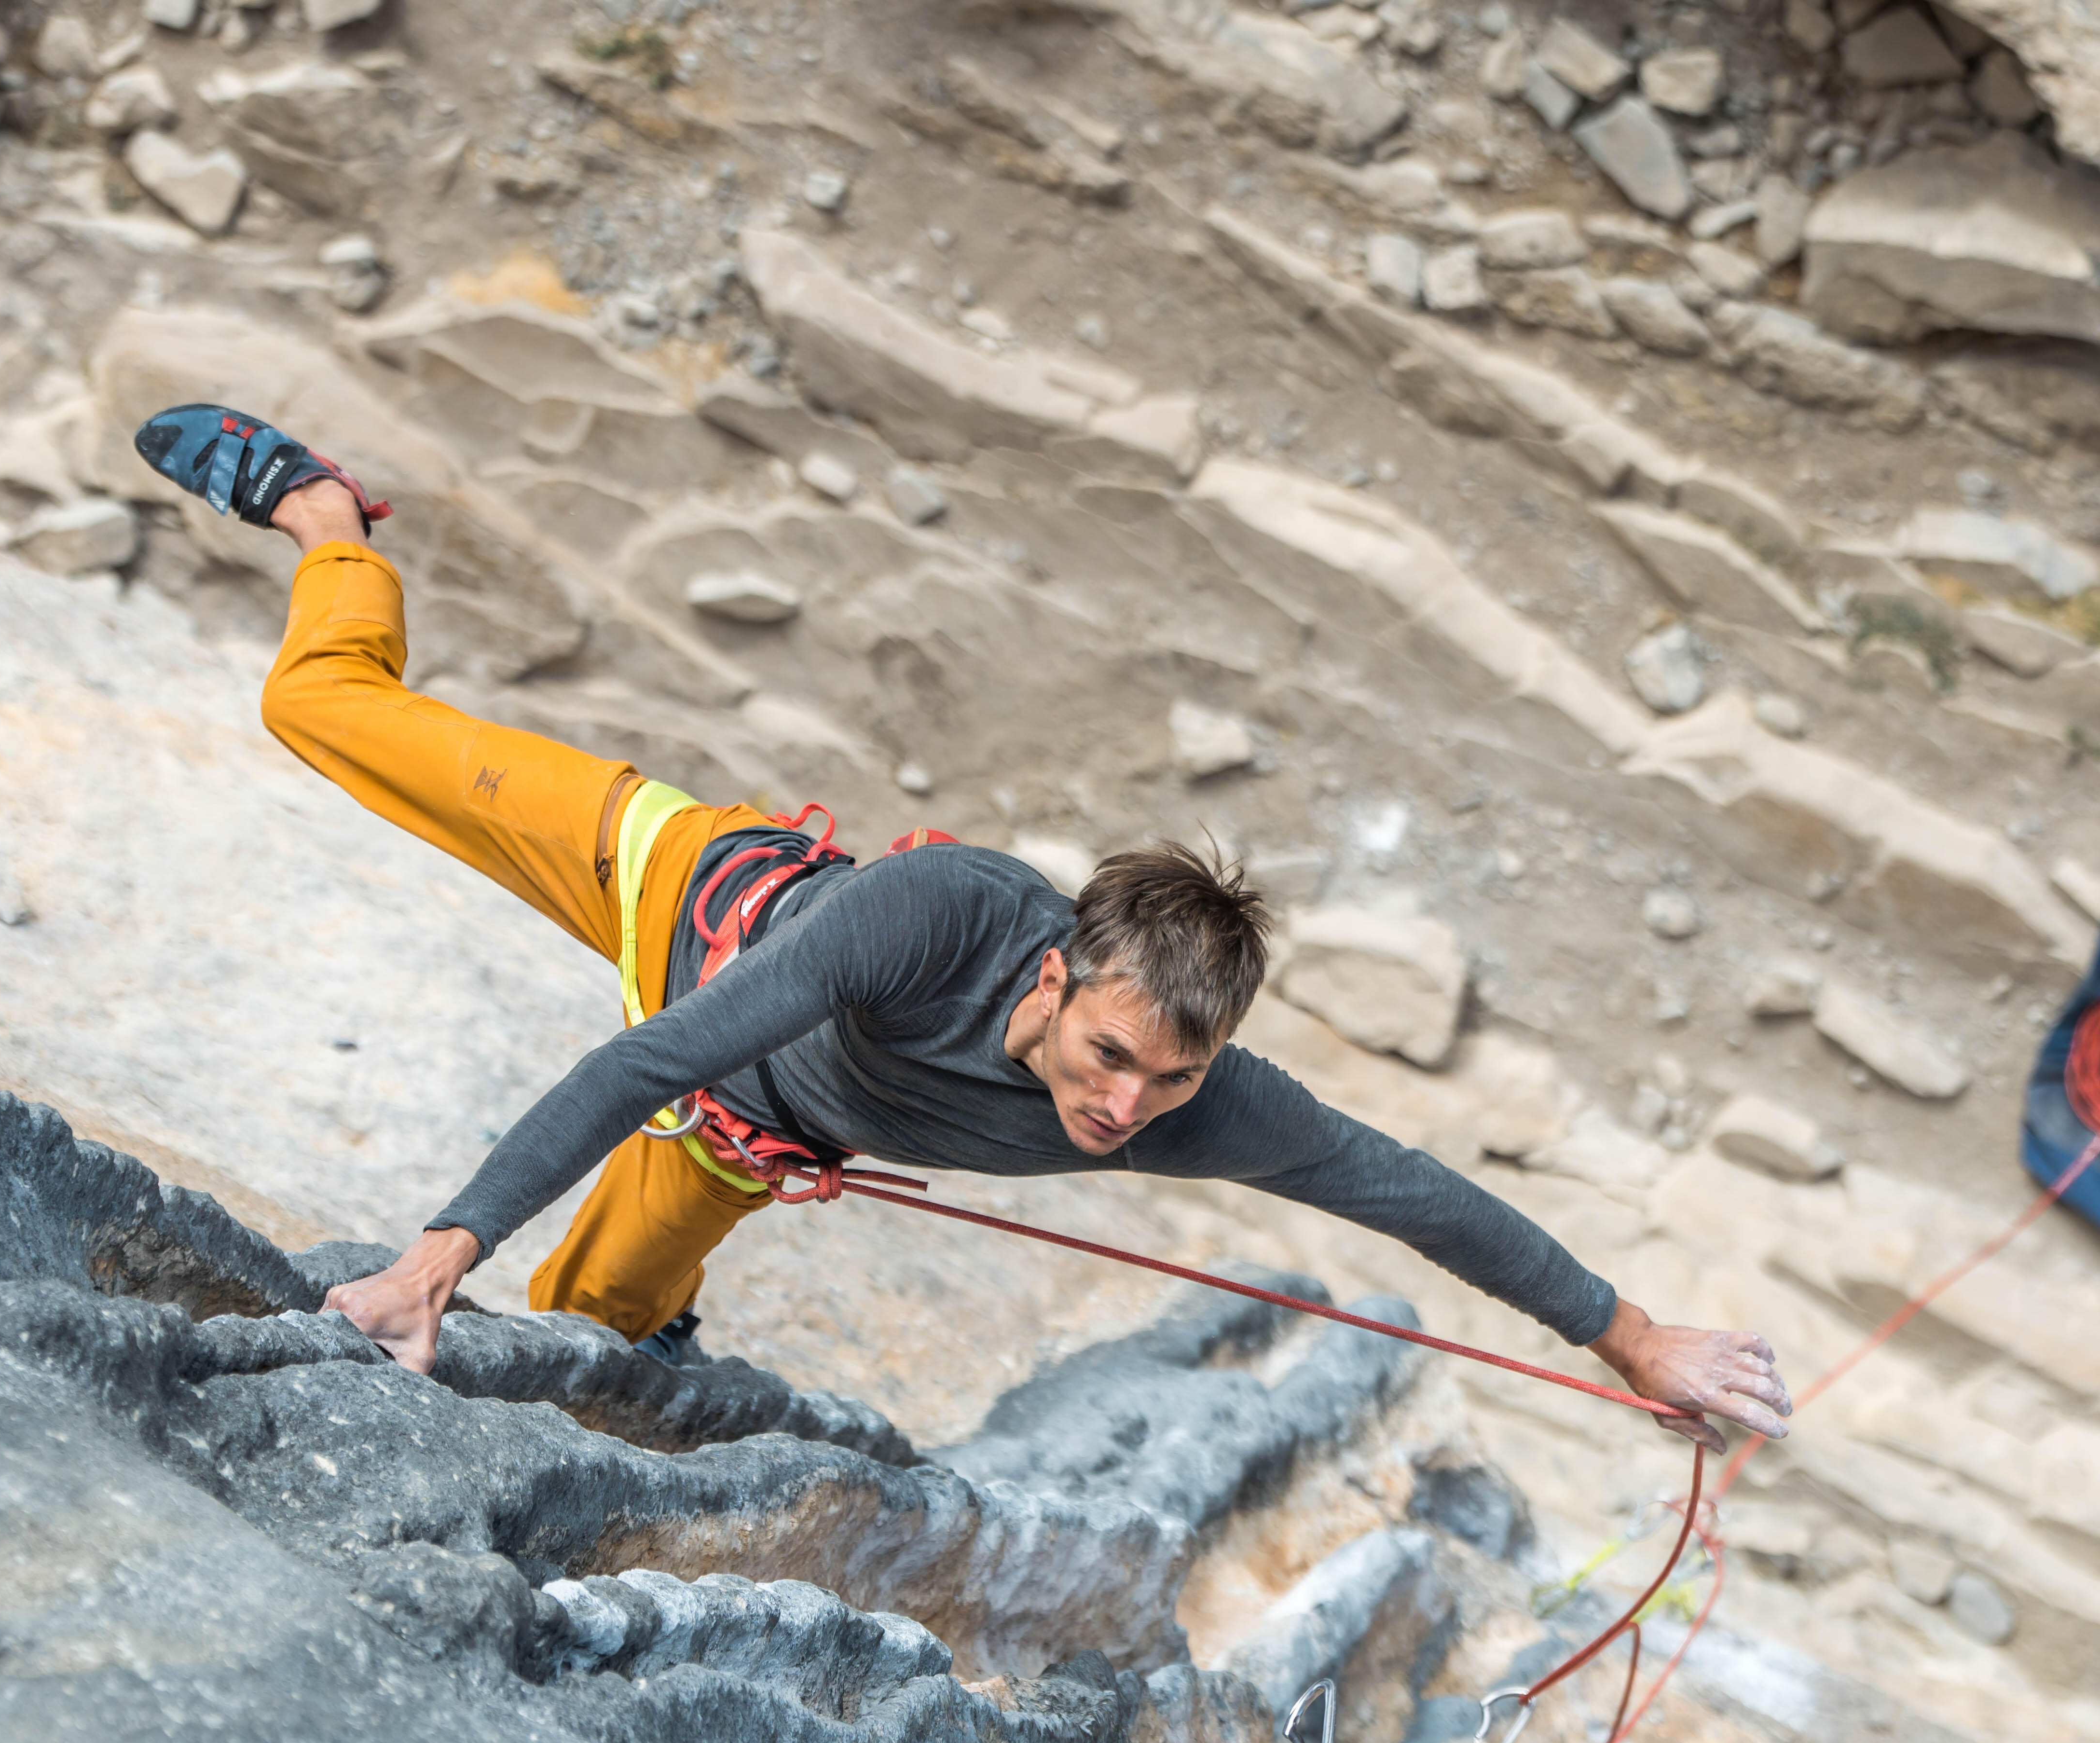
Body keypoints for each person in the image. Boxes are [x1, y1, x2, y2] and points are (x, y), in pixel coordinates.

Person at [128, 402, 1796, 1452]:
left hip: (739, 1134)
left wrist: (1637, 1337)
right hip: (685, 898)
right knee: (324, 712)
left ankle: (628, 1303)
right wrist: (439, 1248)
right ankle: (325, 514)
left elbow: (1423, 1198)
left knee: (592, 1343)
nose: (1123, 1107)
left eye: (1165, 1080)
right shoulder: (937, 918)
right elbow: (650, 1050)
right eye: (1109, 1056)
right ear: (1055, 975)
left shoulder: (1198, 1102)